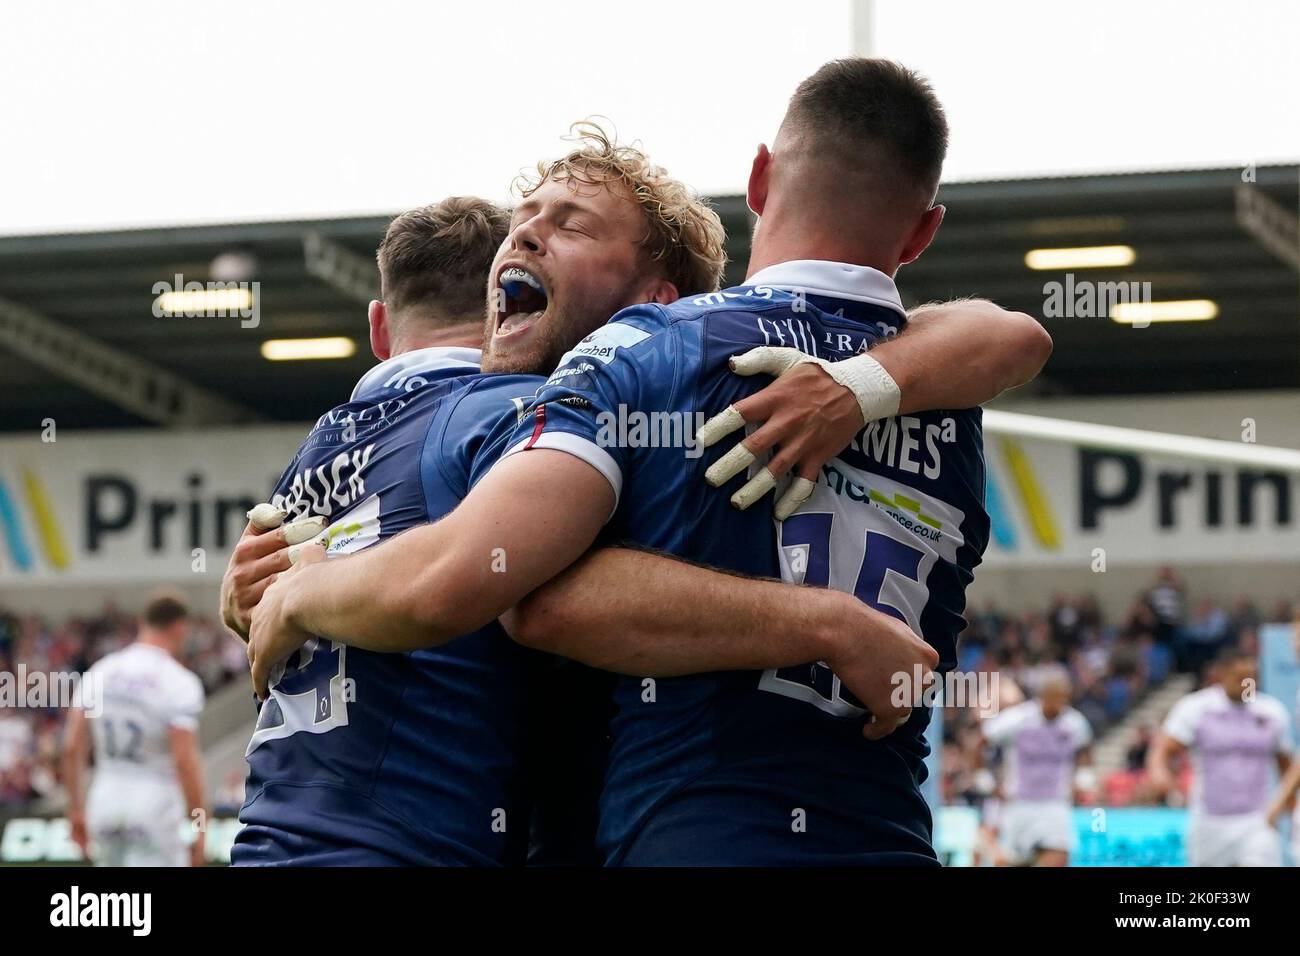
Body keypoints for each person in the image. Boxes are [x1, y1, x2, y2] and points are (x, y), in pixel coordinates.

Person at [247, 60, 1052, 865]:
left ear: (761, 179)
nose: (521, 236)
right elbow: (1012, 333)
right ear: (922, 232)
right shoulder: (950, 398)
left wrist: (308, 584)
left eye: (569, 224)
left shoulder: (642, 353)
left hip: (686, 836)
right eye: (521, 219)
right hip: (889, 838)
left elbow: (519, 593)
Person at [62, 591, 206, 867]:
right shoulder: (178, 682)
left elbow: (71, 748)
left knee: (115, 908)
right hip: (154, 802)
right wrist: (199, 825)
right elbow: (185, 761)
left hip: (104, 798)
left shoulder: (101, 672)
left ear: (143, 623)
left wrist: (75, 808)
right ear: (179, 627)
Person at [1148, 646, 1292, 866]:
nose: (1246, 684)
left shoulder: (1272, 712)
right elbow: (1164, 750)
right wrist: (1161, 775)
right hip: (1208, 820)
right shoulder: (1196, 708)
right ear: (1222, 675)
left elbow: (1288, 767)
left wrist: (1284, 807)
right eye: (1240, 678)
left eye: (1251, 678)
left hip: (1256, 820)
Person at [980, 666, 1091, 866]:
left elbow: (1084, 751)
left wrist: (1083, 777)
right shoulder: (1018, 719)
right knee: (1013, 861)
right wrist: (984, 778)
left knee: (1059, 855)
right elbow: (981, 741)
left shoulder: (1074, 723)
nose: (1058, 701)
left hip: (1056, 803)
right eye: (1053, 696)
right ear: (1042, 695)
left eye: (1062, 696)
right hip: (1019, 802)